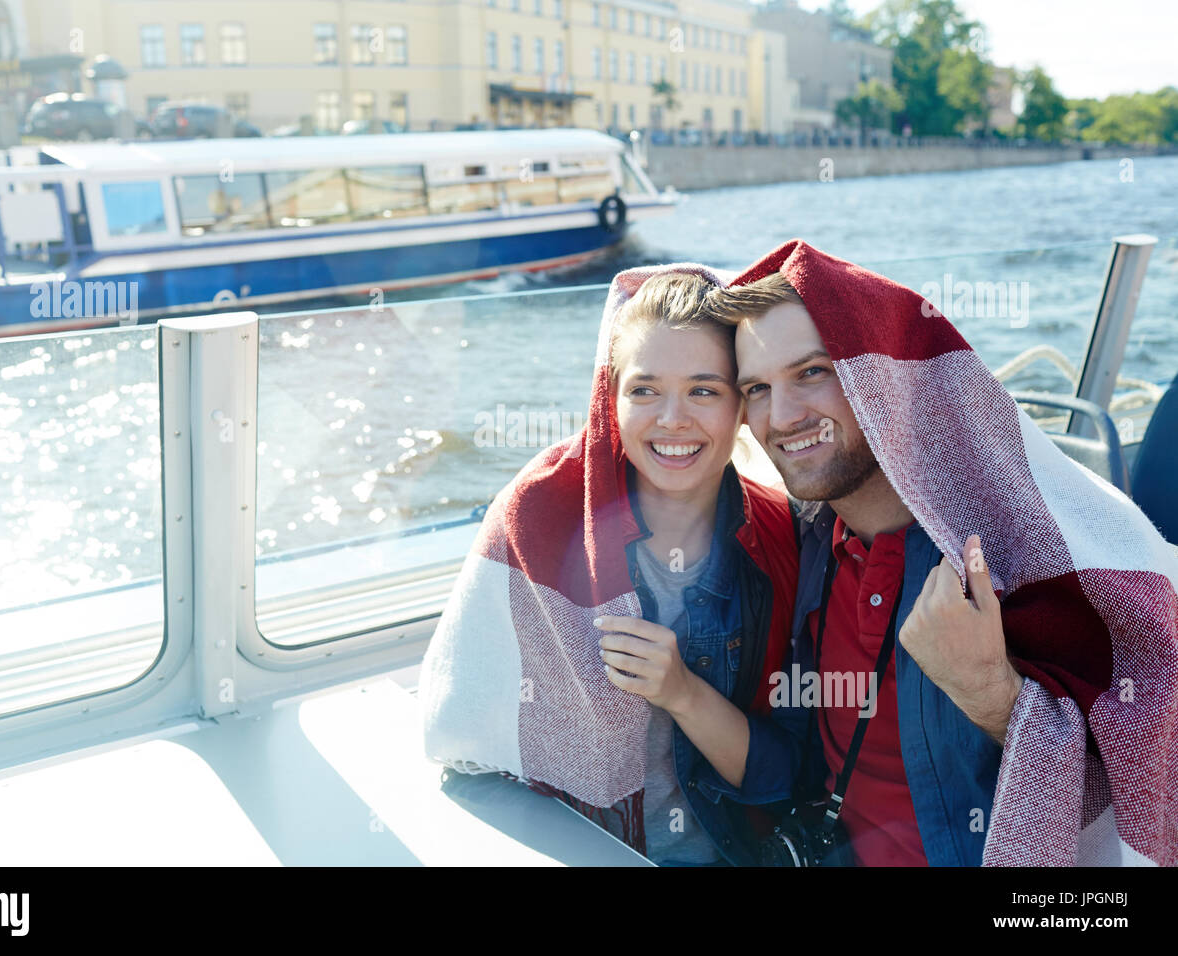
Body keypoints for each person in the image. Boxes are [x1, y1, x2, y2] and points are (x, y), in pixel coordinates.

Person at [702, 239, 1178, 866]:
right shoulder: (808, 542)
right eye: (756, 388)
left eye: (813, 372)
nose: (782, 416)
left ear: (883, 379)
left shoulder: (1018, 555)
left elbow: (1149, 779)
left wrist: (989, 691)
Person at [419, 263, 799, 866]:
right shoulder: (538, 514)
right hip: (570, 846)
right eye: (644, 389)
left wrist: (683, 693)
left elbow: (783, 779)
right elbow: (467, 745)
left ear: (742, 406)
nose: (672, 418)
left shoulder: (779, 538)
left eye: (704, 389)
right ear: (611, 399)